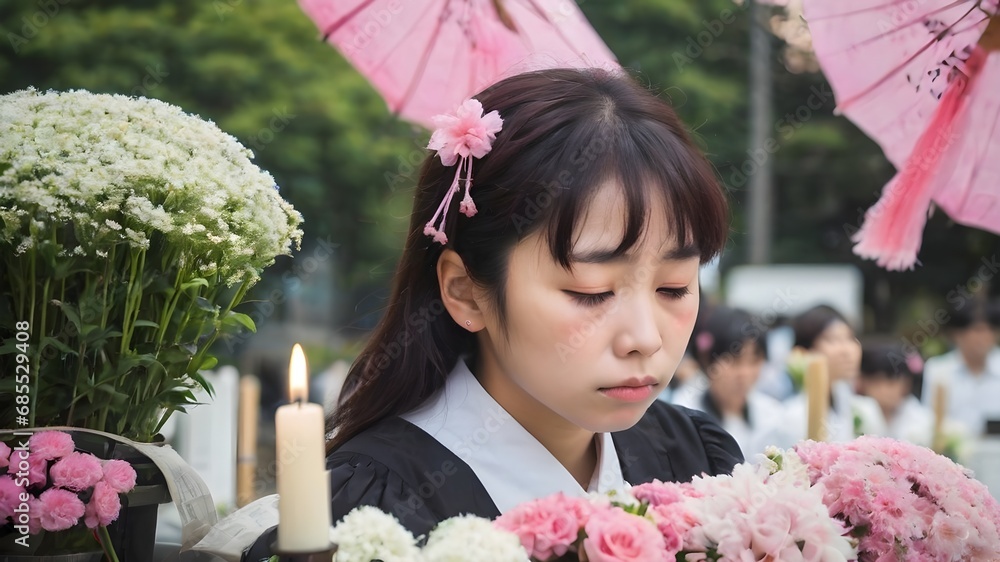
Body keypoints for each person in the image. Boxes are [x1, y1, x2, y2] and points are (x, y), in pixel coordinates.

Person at [243, 67, 742, 558]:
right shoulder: (374, 512)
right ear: (465, 291)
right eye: (591, 292)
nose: (645, 338)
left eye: (674, 287)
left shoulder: (694, 459)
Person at [670, 306, 794, 459]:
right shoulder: (684, 413)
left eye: (754, 361)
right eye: (734, 361)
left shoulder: (773, 414)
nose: (745, 373)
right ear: (707, 360)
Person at [781, 305, 887, 443]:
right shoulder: (792, 417)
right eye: (833, 340)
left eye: (850, 338)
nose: (847, 350)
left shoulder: (864, 409)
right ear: (804, 351)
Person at [920, 297, 1000, 437]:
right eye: (977, 330)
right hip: (951, 454)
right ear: (957, 334)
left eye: (990, 329)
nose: (983, 337)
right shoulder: (938, 369)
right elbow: (927, 421)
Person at [858, 341, 935, 447]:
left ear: (906, 383)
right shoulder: (853, 414)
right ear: (862, 382)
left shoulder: (922, 419)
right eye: (876, 382)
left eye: (891, 382)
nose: (883, 390)